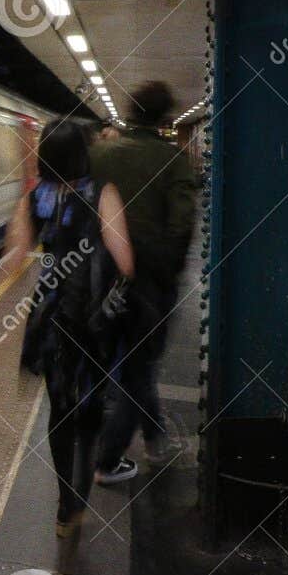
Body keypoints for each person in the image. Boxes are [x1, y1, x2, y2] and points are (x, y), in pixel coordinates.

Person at [2, 118, 134, 537]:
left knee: (59, 411)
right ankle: (80, 494)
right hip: (93, 318)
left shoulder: (34, 198)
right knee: (91, 409)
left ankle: (65, 508)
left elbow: (13, 262)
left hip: (51, 318)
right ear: (83, 152)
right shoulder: (102, 193)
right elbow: (125, 261)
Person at [89, 81, 197, 485]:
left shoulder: (101, 154)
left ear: (129, 112)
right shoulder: (174, 162)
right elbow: (181, 227)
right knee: (139, 367)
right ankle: (107, 461)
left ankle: (155, 438)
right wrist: (163, 278)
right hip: (149, 286)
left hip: (101, 279)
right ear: (166, 119)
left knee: (124, 365)